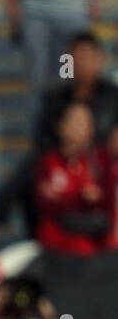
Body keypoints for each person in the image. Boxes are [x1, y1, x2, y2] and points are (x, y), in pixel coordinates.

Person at [33, 101, 115, 256]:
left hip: (95, 245)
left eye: (85, 123)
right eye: (75, 121)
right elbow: (47, 202)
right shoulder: (49, 162)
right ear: (61, 126)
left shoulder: (101, 162)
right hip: (57, 245)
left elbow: (108, 201)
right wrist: (80, 196)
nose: (80, 128)